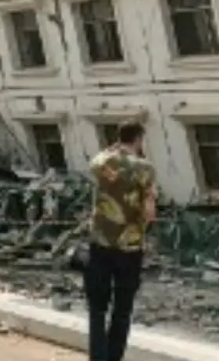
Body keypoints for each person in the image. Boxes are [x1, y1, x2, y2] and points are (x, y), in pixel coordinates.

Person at [85, 119, 157, 361]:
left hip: (100, 244)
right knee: (122, 310)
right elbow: (149, 214)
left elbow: (99, 160)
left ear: (118, 138)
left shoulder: (101, 162)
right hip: (129, 247)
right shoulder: (145, 169)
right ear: (138, 138)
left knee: (97, 309)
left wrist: (114, 148)